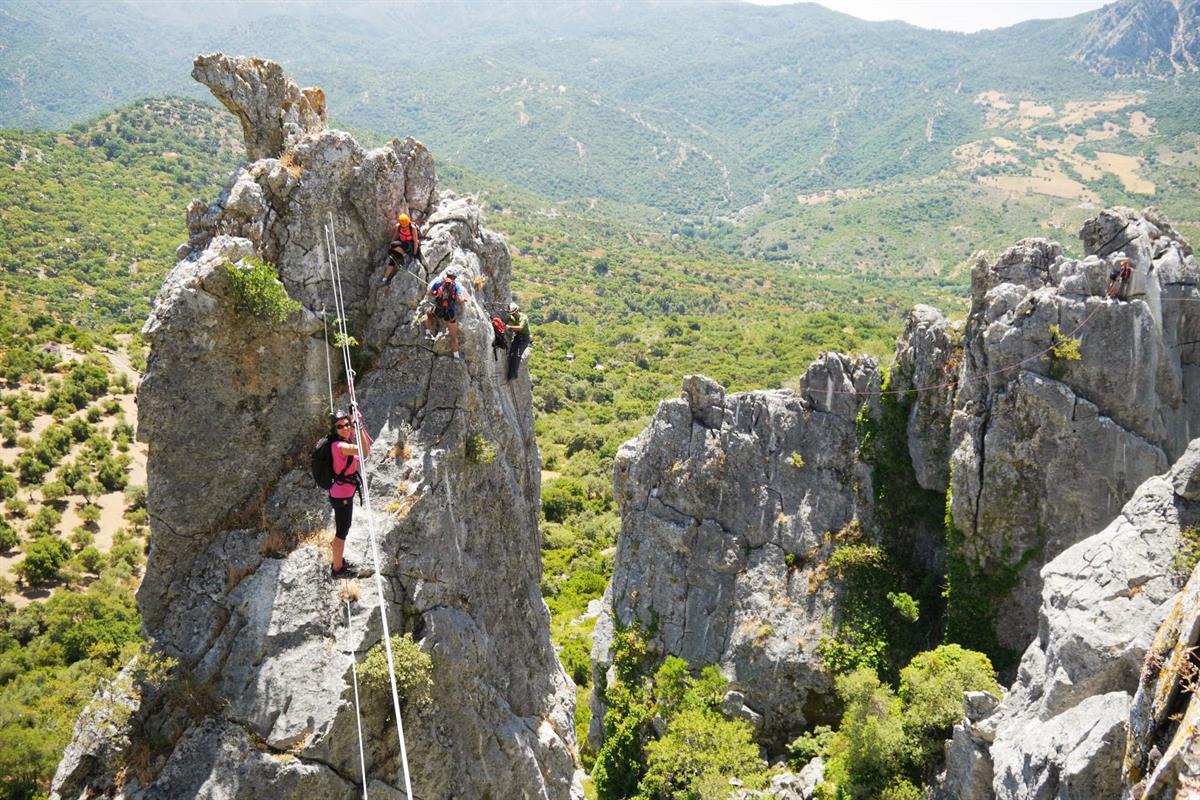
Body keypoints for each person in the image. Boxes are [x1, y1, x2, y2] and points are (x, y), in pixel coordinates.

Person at [329, 406, 372, 577]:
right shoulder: (340, 446)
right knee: (342, 532)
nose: (345, 428)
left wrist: (354, 420)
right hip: (342, 497)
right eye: (340, 426)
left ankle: (338, 560)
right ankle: (337, 569)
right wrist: (358, 425)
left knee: (342, 528)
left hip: (341, 494)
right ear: (335, 430)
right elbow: (364, 451)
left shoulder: (344, 442)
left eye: (347, 425)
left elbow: (358, 444)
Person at [425, 269, 464, 361]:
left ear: (446, 275)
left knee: (427, 312)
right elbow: (459, 300)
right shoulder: (456, 285)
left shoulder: (439, 282)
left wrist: (436, 294)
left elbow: (429, 293)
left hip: (438, 310)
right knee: (453, 337)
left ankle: (427, 333)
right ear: (454, 277)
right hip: (450, 313)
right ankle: (456, 357)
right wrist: (464, 299)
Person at [381, 213, 421, 285]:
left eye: (405, 226)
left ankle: (404, 256)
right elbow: (395, 237)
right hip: (401, 246)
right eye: (403, 226)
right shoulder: (398, 226)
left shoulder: (412, 228)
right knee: (392, 258)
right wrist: (391, 248)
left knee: (393, 245)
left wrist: (415, 254)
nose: (404, 228)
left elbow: (415, 242)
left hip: (409, 246)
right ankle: (385, 279)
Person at [506, 302, 531, 381]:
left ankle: (513, 375)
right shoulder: (512, 318)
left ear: (516, 311)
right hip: (518, 337)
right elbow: (510, 323)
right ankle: (510, 372)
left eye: (513, 313)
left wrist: (509, 327)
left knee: (517, 355)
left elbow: (520, 327)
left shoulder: (523, 317)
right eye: (511, 313)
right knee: (511, 354)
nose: (512, 314)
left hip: (524, 339)